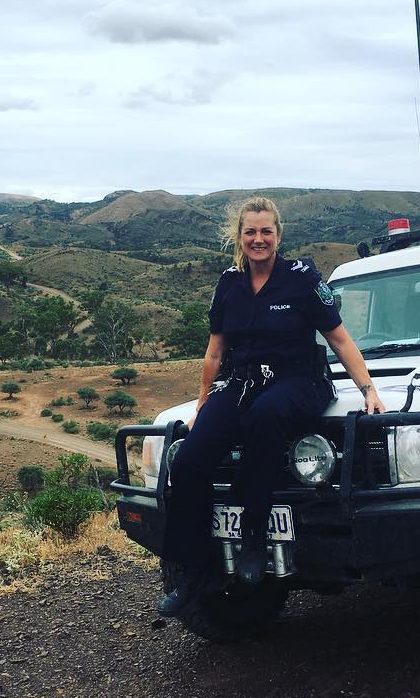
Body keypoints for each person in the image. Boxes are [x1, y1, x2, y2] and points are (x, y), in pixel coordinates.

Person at [158, 197, 386, 616]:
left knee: (266, 416)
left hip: (299, 381)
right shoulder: (229, 283)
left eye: (266, 232)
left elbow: (339, 338)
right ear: (239, 237)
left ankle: (254, 540)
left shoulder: (301, 278)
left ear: (278, 236)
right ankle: (194, 570)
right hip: (243, 381)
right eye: (251, 232)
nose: (258, 239)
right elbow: (214, 352)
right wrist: (203, 404)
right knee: (189, 460)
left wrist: (368, 388)